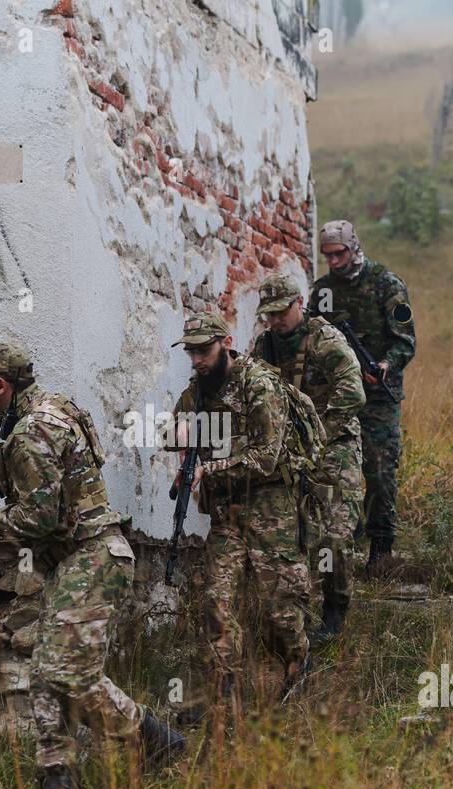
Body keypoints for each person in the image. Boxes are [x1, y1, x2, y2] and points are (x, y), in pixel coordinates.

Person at [0, 343, 184, 789]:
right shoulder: (48, 412)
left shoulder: (31, 430)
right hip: (79, 560)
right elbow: (62, 481)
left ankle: (151, 736)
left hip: (92, 556)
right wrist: (4, 484)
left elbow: (46, 516)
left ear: (1, 385)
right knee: (46, 678)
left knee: (68, 675)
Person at [167, 312, 311, 716]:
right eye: (191, 352)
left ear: (225, 343)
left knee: (279, 607)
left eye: (204, 350)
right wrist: (181, 440)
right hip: (227, 515)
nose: (197, 360)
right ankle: (222, 698)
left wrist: (207, 468)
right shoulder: (197, 391)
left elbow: (266, 458)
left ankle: (299, 666)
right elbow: (173, 429)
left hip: (270, 509)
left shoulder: (259, 384)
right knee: (217, 601)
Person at [251, 272, 365, 647]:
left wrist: (317, 435)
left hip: (336, 447)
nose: (275, 321)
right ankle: (290, 611)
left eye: (281, 312)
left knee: (334, 535)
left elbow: (353, 392)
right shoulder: (265, 346)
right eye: (268, 314)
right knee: (290, 534)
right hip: (290, 452)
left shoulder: (325, 339)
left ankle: (335, 609)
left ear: (299, 303)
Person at [307, 220, 416, 575]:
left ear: (354, 248)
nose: (334, 262)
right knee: (336, 470)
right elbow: (311, 337)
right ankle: (341, 539)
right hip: (337, 397)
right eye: (328, 256)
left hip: (378, 397)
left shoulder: (388, 285)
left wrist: (386, 363)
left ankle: (381, 549)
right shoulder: (322, 291)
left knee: (380, 470)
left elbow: (405, 340)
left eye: (339, 254)